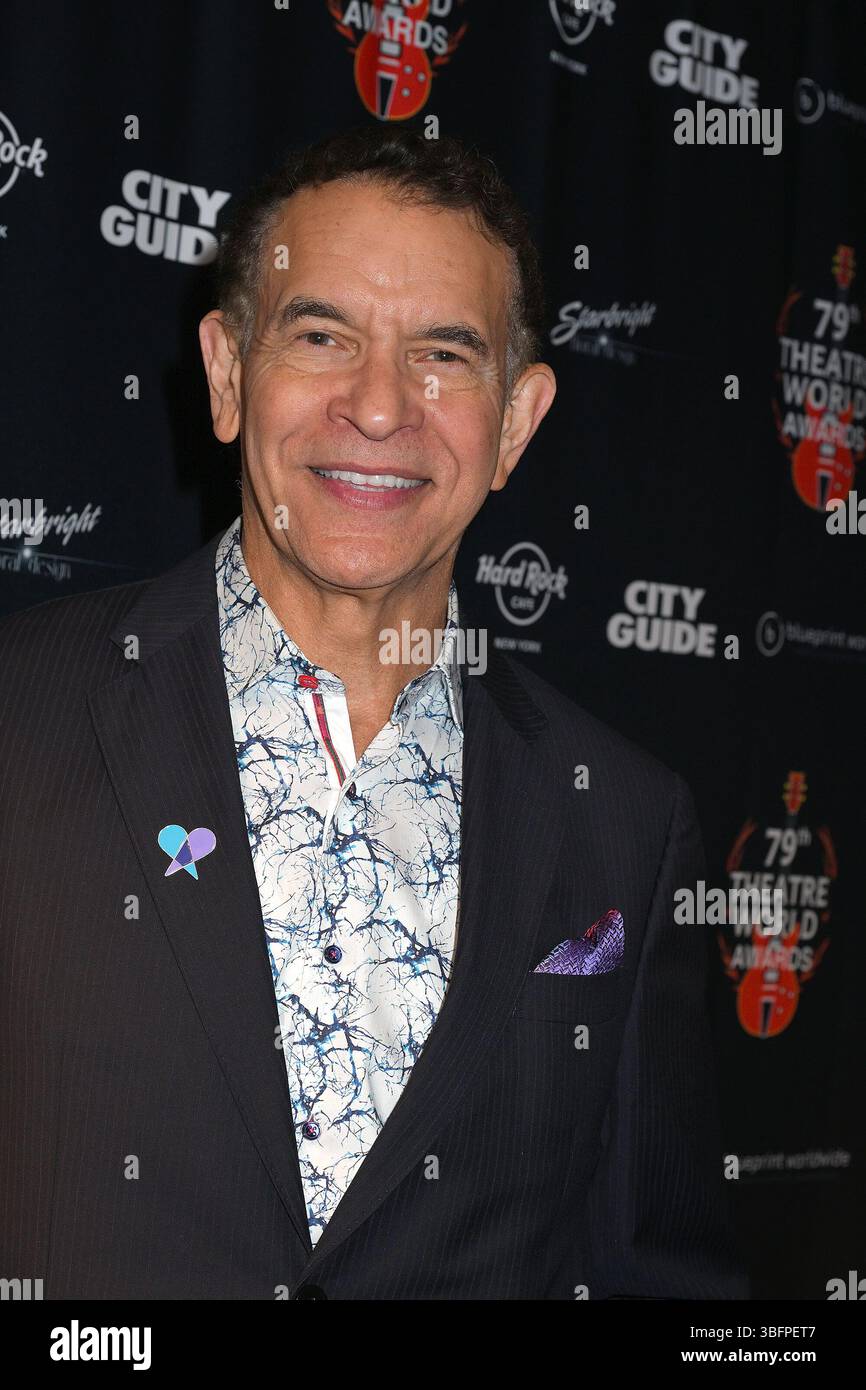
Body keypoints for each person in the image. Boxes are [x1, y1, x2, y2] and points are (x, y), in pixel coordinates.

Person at [0, 125, 747, 1300]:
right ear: (228, 374)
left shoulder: (624, 826)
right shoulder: (18, 720)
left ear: (514, 421)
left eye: (444, 353)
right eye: (322, 334)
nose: (380, 407)